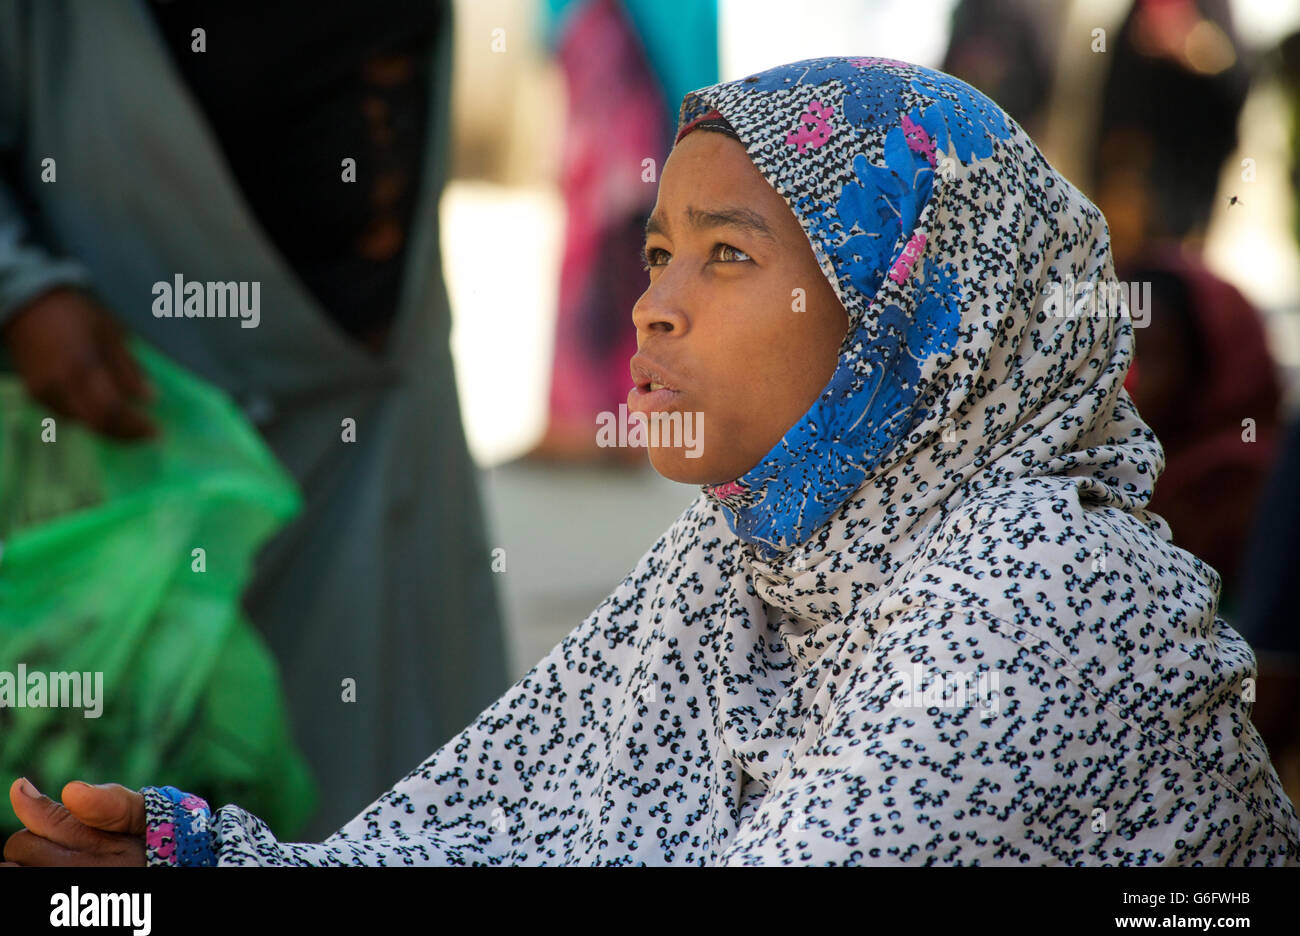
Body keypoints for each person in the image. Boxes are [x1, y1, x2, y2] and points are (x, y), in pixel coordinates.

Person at [6, 56, 1299, 866]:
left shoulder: (1045, 598)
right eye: (659, 252)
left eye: (728, 257)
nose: (654, 307)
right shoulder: (747, 551)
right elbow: (482, 834)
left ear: (918, 319)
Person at [0, 0, 508, 838]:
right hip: (158, 405)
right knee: (150, 796)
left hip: (391, 393)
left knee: (426, 782)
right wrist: (20, 287)